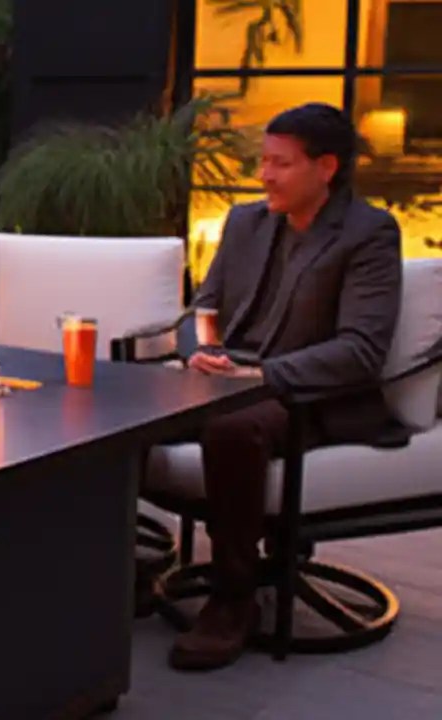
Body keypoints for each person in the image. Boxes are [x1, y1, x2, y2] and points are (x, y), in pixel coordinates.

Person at [171, 103, 406, 671]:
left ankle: (234, 596)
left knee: (235, 426)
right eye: (264, 161)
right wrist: (199, 350)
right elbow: (202, 309)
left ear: (326, 167)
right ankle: (114, 569)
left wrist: (261, 376)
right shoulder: (246, 221)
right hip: (231, 377)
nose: (264, 175)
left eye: (280, 163)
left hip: (310, 395)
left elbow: (360, 351)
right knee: (122, 406)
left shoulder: (369, 233)